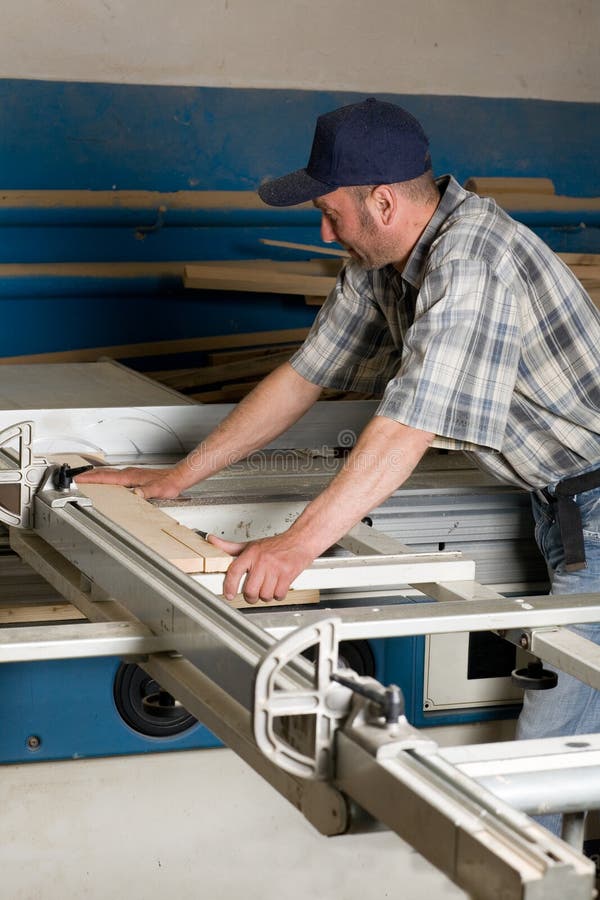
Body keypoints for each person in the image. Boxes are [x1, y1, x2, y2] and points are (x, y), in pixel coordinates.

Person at [78, 99, 600, 828]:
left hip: (595, 501)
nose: (324, 231)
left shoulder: (472, 263)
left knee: (541, 761)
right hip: (561, 501)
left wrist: (295, 545)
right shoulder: (384, 258)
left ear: (382, 201)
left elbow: (408, 423)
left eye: (331, 212)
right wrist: (174, 480)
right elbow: (303, 376)